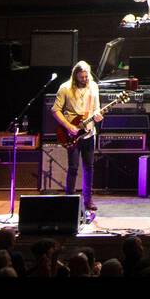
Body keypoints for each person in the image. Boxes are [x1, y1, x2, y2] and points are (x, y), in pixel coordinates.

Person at [51, 60, 102, 220]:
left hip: (89, 133)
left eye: (87, 76)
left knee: (89, 167)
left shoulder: (93, 87)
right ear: (75, 76)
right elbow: (55, 110)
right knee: (73, 167)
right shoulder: (65, 88)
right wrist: (68, 126)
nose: (85, 80)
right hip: (72, 133)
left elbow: (96, 109)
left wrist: (98, 116)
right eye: (82, 77)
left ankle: (88, 200)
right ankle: (70, 199)